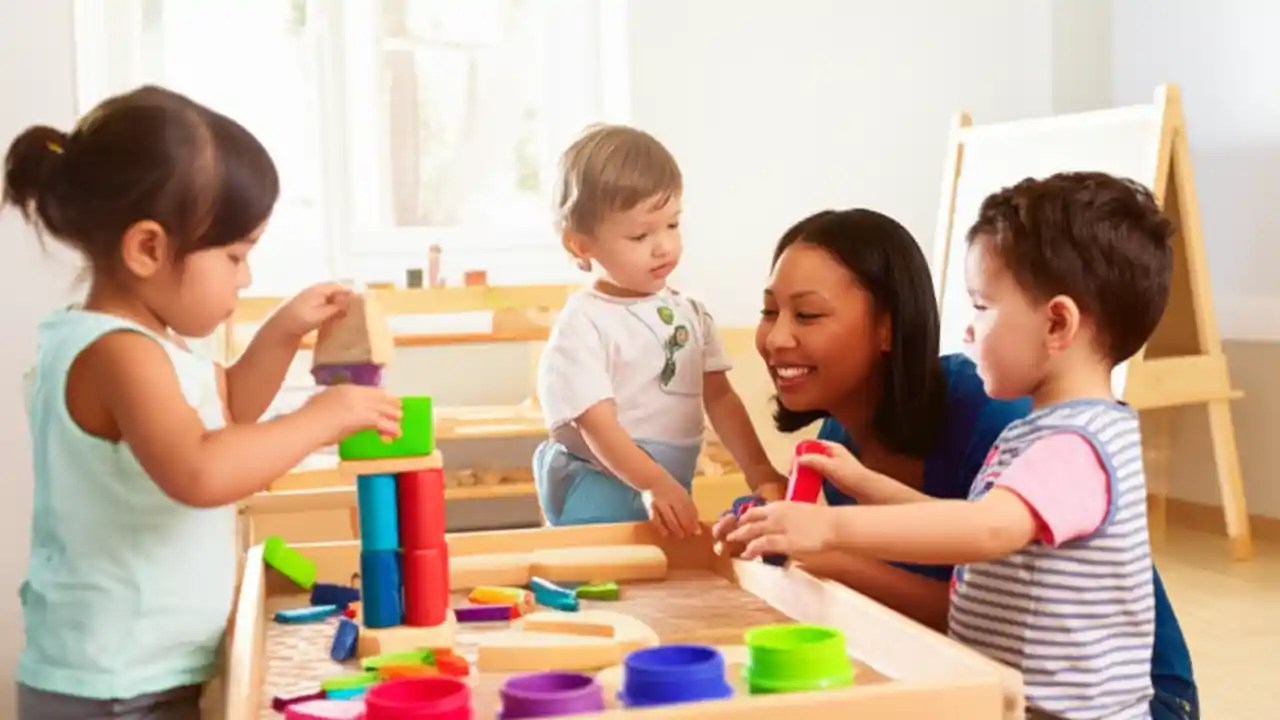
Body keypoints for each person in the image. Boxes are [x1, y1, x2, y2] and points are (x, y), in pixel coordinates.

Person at [3, 86, 402, 719]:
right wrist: (317, 420)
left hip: (148, 671)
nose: (244, 278)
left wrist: (281, 332)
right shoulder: (118, 354)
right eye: (235, 255)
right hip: (114, 685)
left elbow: (230, 410)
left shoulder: (154, 343)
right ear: (148, 249)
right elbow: (202, 468)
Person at [715, 202, 1197, 719]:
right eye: (770, 312)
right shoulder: (1044, 434)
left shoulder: (1062, 443)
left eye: (981, 309)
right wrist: (847, 493)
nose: (966, 332)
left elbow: (986, 530)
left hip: (1097, 702)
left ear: (1057, 323)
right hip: (1008, 685)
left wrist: (828, 531)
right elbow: (965, 532)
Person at [533, 124, 782, 538]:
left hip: (665, 481)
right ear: (581, 245)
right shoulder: (584, 323)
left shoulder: (689, 312)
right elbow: (598, 425)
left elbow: (719, 397)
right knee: (598, 580)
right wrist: (654, 483)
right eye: (640, 234)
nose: (664, 246)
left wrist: (758, 469)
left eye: (672, 224)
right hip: (600, 481)